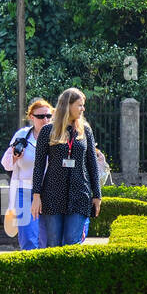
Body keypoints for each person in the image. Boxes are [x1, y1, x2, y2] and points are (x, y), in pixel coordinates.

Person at [31, 88, 102, 247]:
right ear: (67, 105)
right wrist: (36, 196)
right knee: (53, 243)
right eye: (79, 105)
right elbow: (39, 166)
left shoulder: (85, 131)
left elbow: (92, 164)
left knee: (72, 243)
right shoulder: (47, 130)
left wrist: (97, 195)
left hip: (80, 194)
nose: (83, 109)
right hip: (52, 194)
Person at [1, 97, 52, 250]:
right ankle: (29, 264)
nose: (45, 120)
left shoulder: (56, 136)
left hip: (48, 191)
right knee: (28, 237)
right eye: (40, 116)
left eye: (48, 116)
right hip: (24, 191)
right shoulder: (22, 135)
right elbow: (6, 164)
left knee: (46, 238)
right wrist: (15, 157)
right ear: (31, 117)